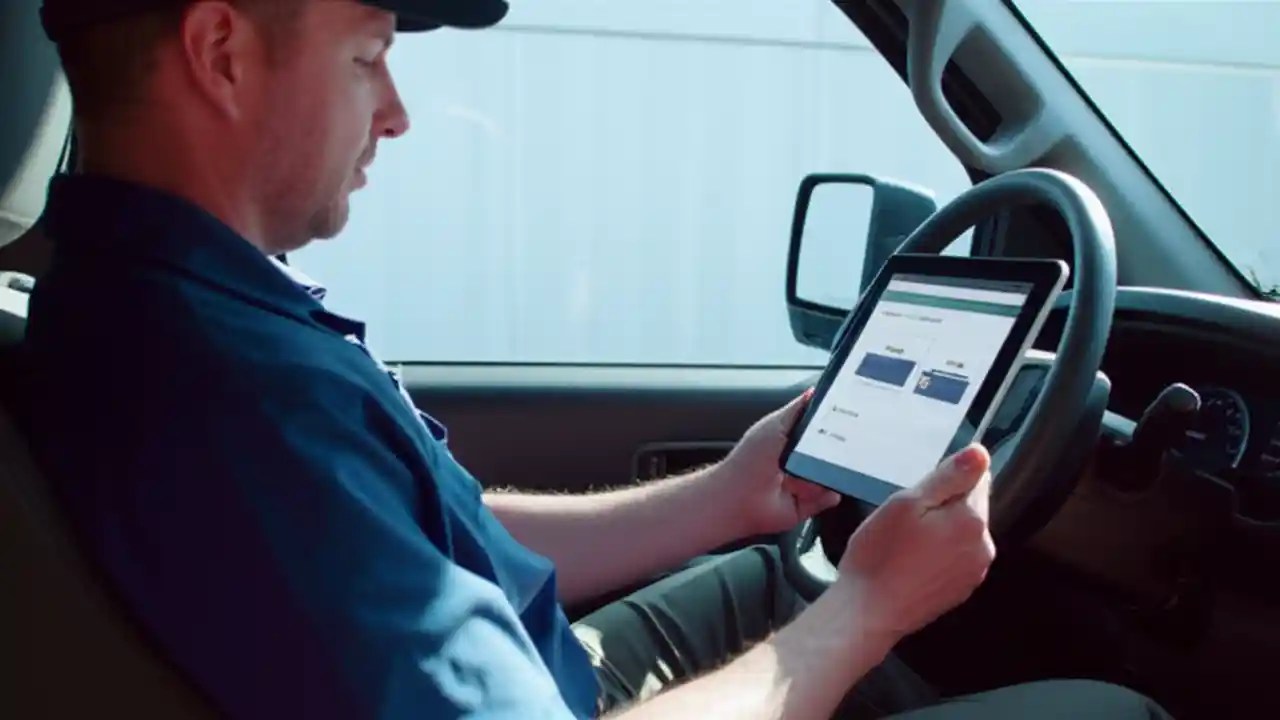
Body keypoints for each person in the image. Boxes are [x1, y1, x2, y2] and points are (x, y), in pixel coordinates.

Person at [18, 1, 1171, 718]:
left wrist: (726, 498)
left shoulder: (152, 310)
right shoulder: (229, 396)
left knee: (779, 573)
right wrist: (865, 610)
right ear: (220, 51)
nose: (398, 111)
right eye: (369, 56)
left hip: (538, 667)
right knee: (1106, 710)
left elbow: (427, 544)